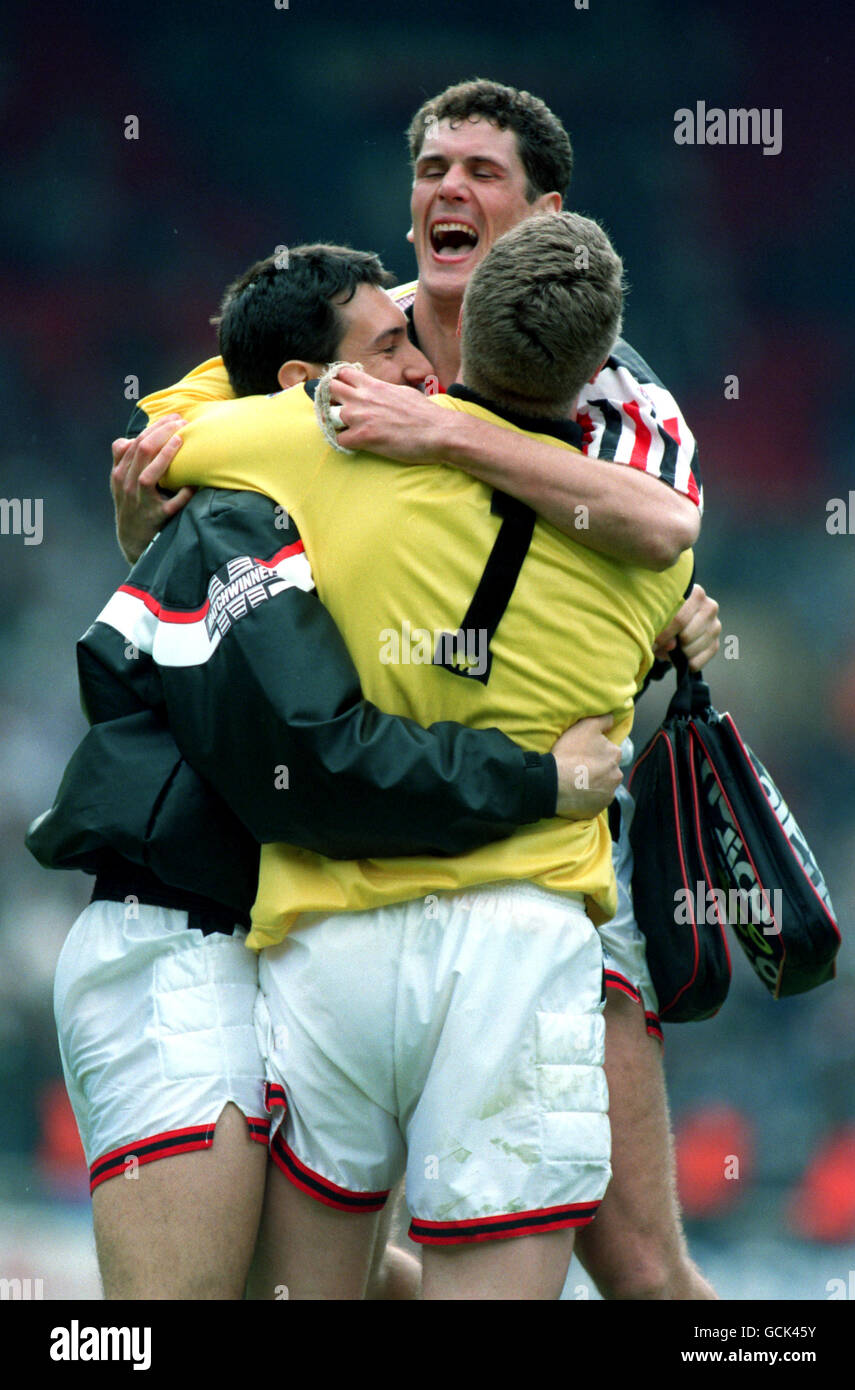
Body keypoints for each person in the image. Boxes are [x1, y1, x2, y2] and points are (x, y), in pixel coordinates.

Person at [119, 79, 720, 1299]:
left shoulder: (617, 389)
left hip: (540, 853)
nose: (449, 189)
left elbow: (662, 528)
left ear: (544, 212)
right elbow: (150, 468)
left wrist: (438, 432)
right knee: (326, 1253)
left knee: (638, 1265)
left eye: (482, 172)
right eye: (432, 167)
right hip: (350, 847)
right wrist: (141, 505)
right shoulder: (337, 337)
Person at [27, 242, 623, 1300]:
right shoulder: (233, 520)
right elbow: (321, 759)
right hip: (175, 944)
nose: (423, 372)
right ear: (309, 392)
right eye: (392, 346)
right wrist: (542, 783)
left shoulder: (319, 501)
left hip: (270, 943)